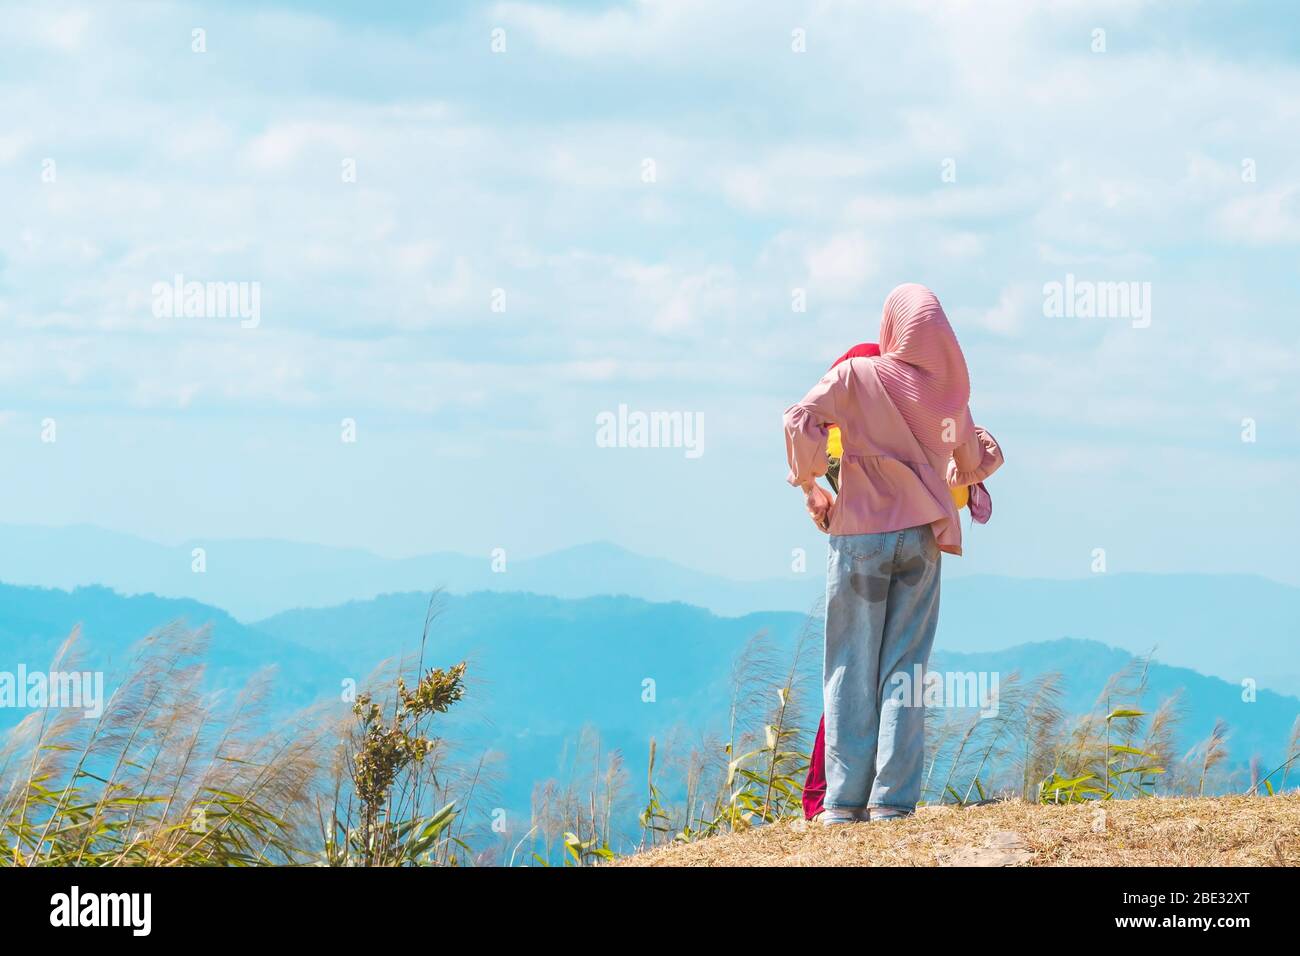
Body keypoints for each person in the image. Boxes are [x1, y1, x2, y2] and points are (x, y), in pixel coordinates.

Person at [783, 284, 1003, 824]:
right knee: (905, 667)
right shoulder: (949, 399)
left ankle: (840, 804)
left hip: (859, 536)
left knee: (849, 664)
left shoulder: (857, 378)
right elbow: (973, 457)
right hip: (923, 538)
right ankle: (892, 803)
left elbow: (798, 420)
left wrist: (812, 482)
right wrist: (959, 469)